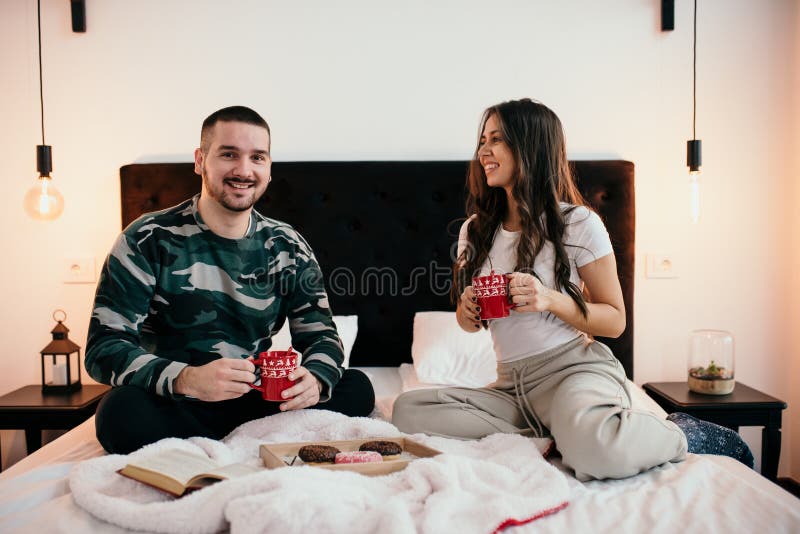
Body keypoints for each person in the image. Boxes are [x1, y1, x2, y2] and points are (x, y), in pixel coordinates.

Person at [392, 99, 752, 480]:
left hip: (572, 372)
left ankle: (682, 433)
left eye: (496, 140)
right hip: (511, 387)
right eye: (483, 141)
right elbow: (470, 324)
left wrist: (549, 299)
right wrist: (467, 312)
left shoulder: (578, 223)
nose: (484, 151)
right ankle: (557, 428)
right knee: (407, 411)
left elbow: (615, 320)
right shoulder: (475, 230)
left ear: (529, 147)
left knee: (596, 452)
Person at [87, 106, 375, 454]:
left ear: (269, 169)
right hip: (176, 400)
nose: (244, 170)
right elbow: (104, 347)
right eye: (229, 155)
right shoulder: (147, 237)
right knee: (118, 414)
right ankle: (257, 434)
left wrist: (314, 379)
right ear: (200, 160)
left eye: (257, 157)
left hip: (256, 397)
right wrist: (187, 379)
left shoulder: (288, 245)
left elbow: (322, 337)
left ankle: (244, 431)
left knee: (358, 387)